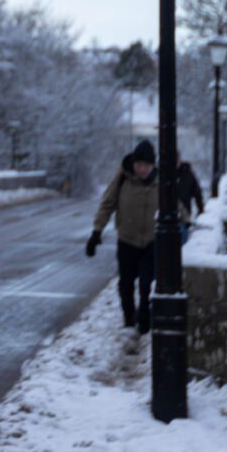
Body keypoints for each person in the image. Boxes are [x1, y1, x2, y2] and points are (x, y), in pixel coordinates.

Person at [87, 140, 158, 333]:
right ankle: (128, 319)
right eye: (139, 164)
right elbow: (107, 204)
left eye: (146, 165)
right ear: (134, 164)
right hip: (127, 240)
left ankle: (144, 315)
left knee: (145, 283)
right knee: (126, 284)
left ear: (153, 165)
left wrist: (187, 222)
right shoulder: (122, 178)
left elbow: (175, 207)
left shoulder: (160, 182)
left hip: (151, 242)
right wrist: (96, 232)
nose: (142, 169)